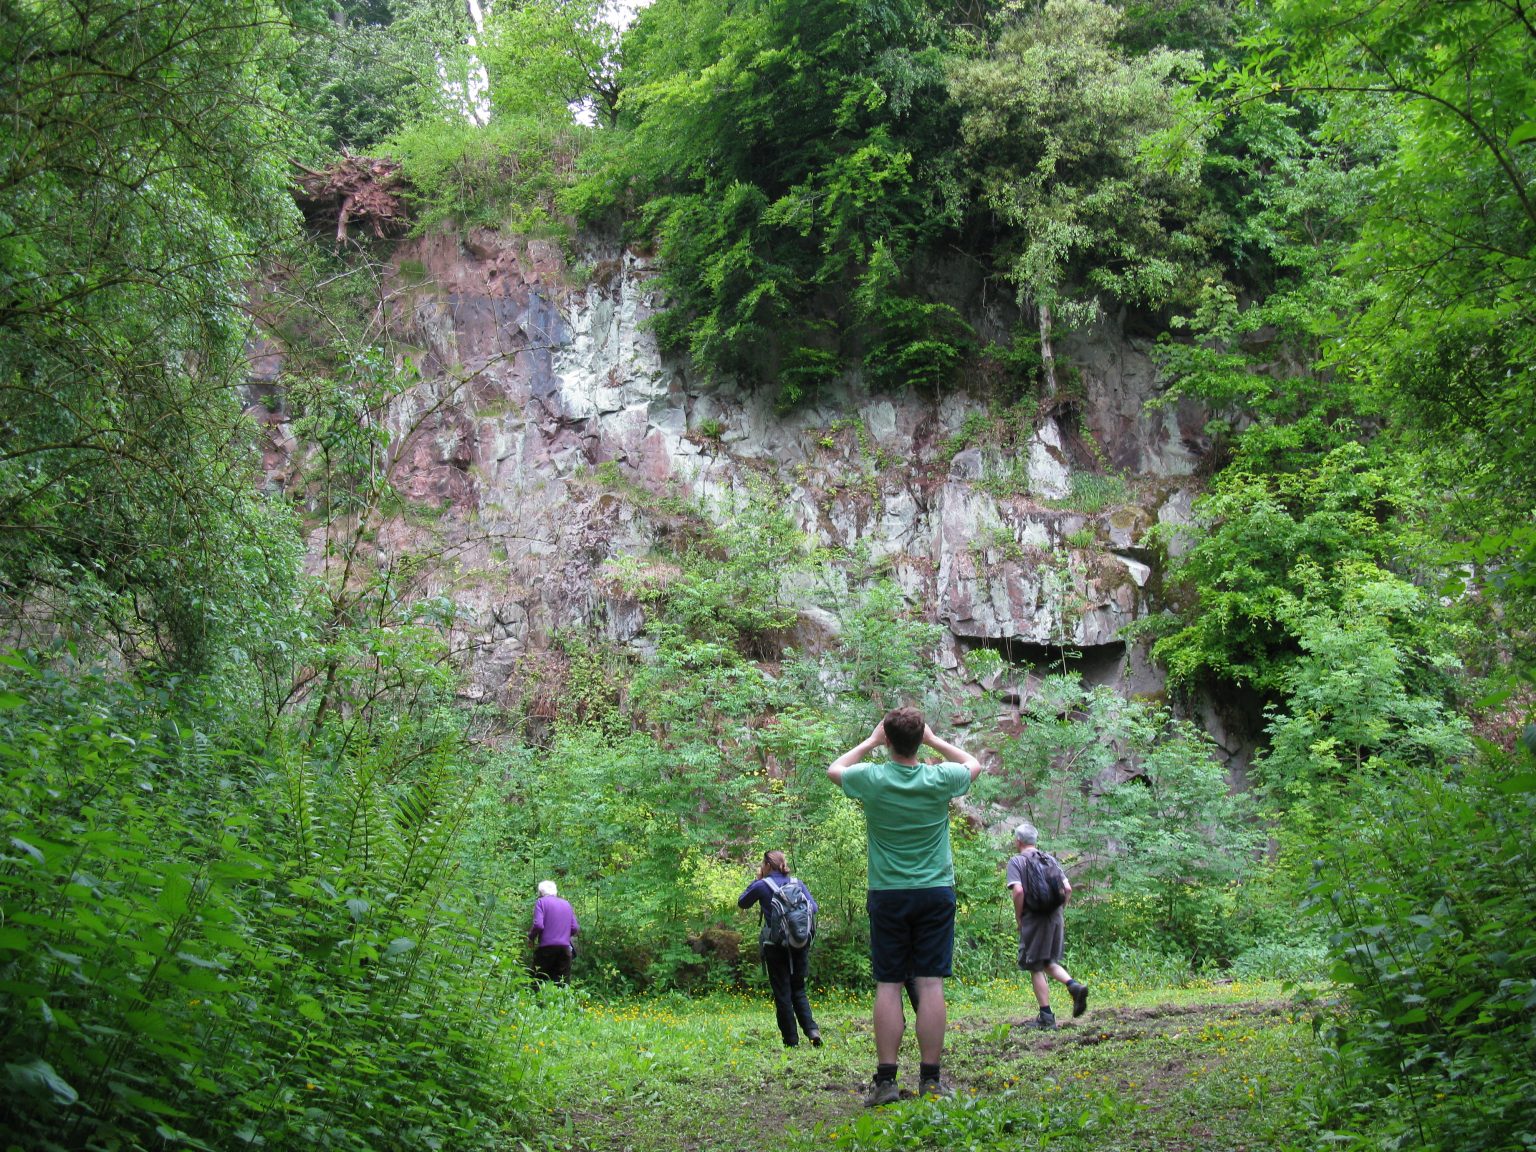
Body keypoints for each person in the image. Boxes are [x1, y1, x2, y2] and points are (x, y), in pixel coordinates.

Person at [827, 707, 982, 1105]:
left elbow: (835, 769)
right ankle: (930, 1080)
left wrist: (872, 741)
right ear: (919, 739)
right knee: (930, 983)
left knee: (889, 983)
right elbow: (972, 764)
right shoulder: (939, 778)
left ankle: (886, 1081)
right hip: (935, 890)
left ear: (889, 738)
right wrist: (933, 740)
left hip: (888, 892)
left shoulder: (873, 779)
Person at [1005, 823, 1088, 1029]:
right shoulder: (1049, 859)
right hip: (1055, 917)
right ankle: (1074, 986)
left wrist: (1019, 918)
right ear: (1035, 840)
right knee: (1047, 961)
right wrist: (1060, 911)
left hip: (1034, 918)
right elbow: (1067, 888)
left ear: (1018, 841)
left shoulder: (1017, 861)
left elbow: (1018, 892)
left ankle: (1046, 1017)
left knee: (1035, 966)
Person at [737, 850, 822, 1048]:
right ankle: (812, 1031)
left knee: (782, 992)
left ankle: (791, 1041)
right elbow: (814, 907)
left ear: (767, 864)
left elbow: (742, 902)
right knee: (798, 988)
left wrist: (758, 880)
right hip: (799, 943)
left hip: (775, 946)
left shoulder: (762, 885)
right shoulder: (797, 883)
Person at [528, 879, 579, 984]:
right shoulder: (566, 904)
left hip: (546, 950)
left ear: (541, 893)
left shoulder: (541, 902)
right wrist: (563, 936)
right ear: (555, 892)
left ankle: (536, 1000)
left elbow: (538, 925)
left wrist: (531, 938)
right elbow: (574, 928)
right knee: (562, 984)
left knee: (537, 981)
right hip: (564, 950)